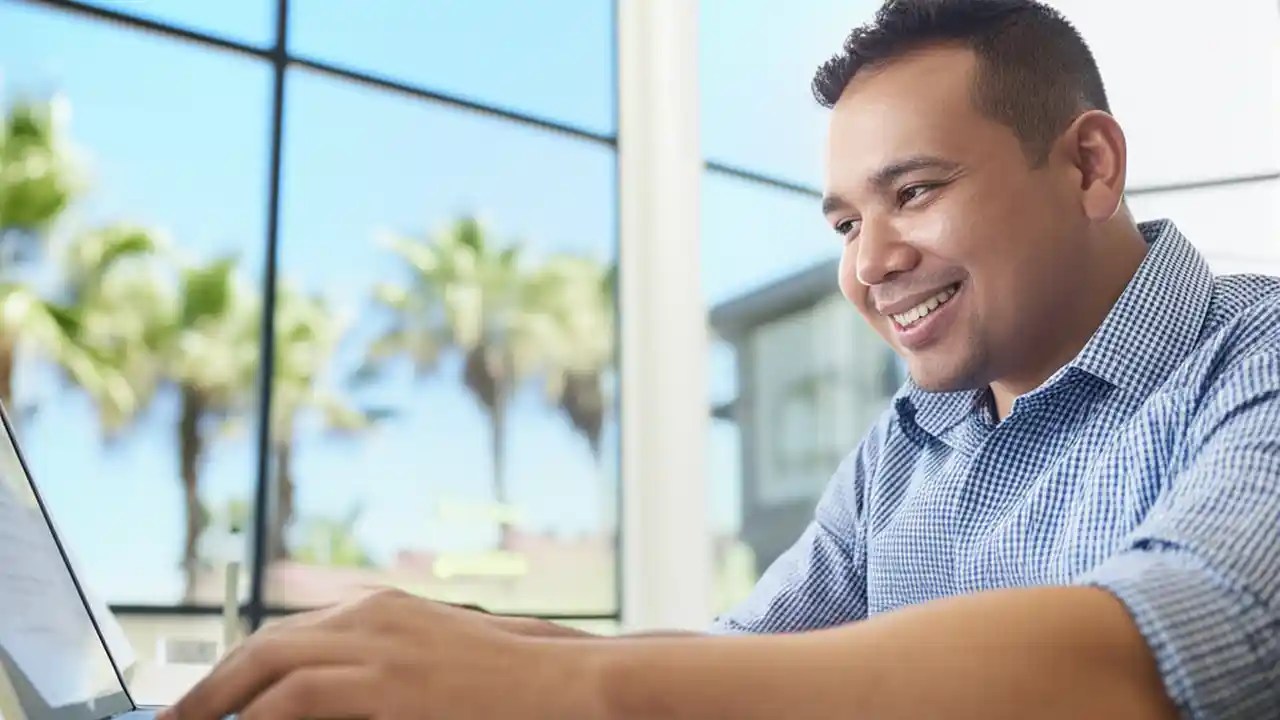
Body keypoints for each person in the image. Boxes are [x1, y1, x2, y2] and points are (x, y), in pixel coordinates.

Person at [158, 1, 1280, 718]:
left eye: (915, 191)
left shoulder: (1252, 355)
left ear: (1086, 166)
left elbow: (1174, 647)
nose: (871, 263)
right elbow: (743, 665)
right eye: (843, 224)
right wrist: (459, 653)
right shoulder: (903, 451)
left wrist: (571, 683)